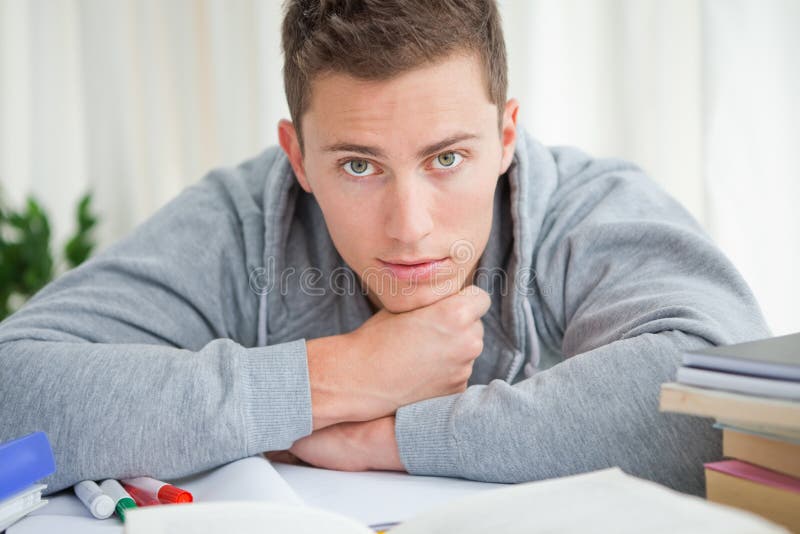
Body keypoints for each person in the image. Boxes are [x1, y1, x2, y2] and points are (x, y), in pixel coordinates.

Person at [0, 0, 770, 497]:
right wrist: (335, 377)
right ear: (298, 157)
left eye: (446, 159)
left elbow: (727, 404)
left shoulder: (589, 209)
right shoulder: (241, 223)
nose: (411, 226)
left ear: (506, 136)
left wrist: (392, 439)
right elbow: (13, 399)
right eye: (359, 165)